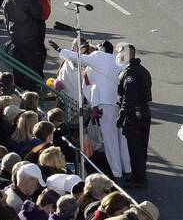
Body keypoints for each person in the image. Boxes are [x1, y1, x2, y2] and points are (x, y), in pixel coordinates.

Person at [54, 38, 130, 179]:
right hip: (118, 103)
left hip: (105, 103)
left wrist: (60, 51)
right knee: (121, 137)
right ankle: (127, 167)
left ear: (102, 50)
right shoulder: (115, 61)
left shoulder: (99, 57)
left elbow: (78, 58)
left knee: (109, 138)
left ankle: (116, 172)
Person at [115, 43, 152, 187]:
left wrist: (122, 115)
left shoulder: (131, 74)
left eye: (119, 53)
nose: (118, 56)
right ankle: (139, 174)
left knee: (135, 147)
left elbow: (129, 97)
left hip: (135, 114)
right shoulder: (141, 70)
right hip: (143, 112)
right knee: (141, 146)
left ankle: (139, 179)